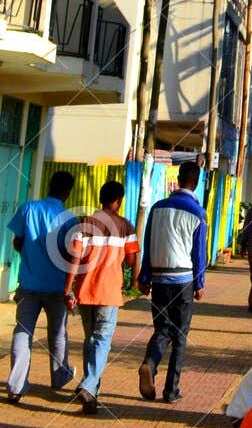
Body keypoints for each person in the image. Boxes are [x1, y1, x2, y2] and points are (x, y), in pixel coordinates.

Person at [64, 180, 139, 414]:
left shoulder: (84, 223)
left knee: (91, 340)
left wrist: (68, 289)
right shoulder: (126, 226)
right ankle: (88, 384)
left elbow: (75, 259)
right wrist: (136, 277)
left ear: (101, 197)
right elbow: (130, 260)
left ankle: (92, 391)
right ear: (119, 201)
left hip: (85, 290)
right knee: (102, 340)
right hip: (110, 292)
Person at [137, 162, 208, 403]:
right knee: (180, 335)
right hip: (183, 280)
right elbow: (199, 253)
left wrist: (144, 276)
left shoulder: (157, 208)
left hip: (159, 278)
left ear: (178, 179)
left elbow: (148, 244)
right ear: (195, 182)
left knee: (162, 329)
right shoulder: (198, 213)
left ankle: (150, 363)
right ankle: (171, 390)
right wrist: (199, 283)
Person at [6, 169, 77, 403]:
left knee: (23, 332)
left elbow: (18, 242)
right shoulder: (69, 219)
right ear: (67, 193)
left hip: (28, 283)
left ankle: (16, 386)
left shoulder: (28, 209)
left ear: (49, 184)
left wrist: (29, 255)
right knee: (57, 334)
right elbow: (71, 256)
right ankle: (60, 377)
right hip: (57, 287)